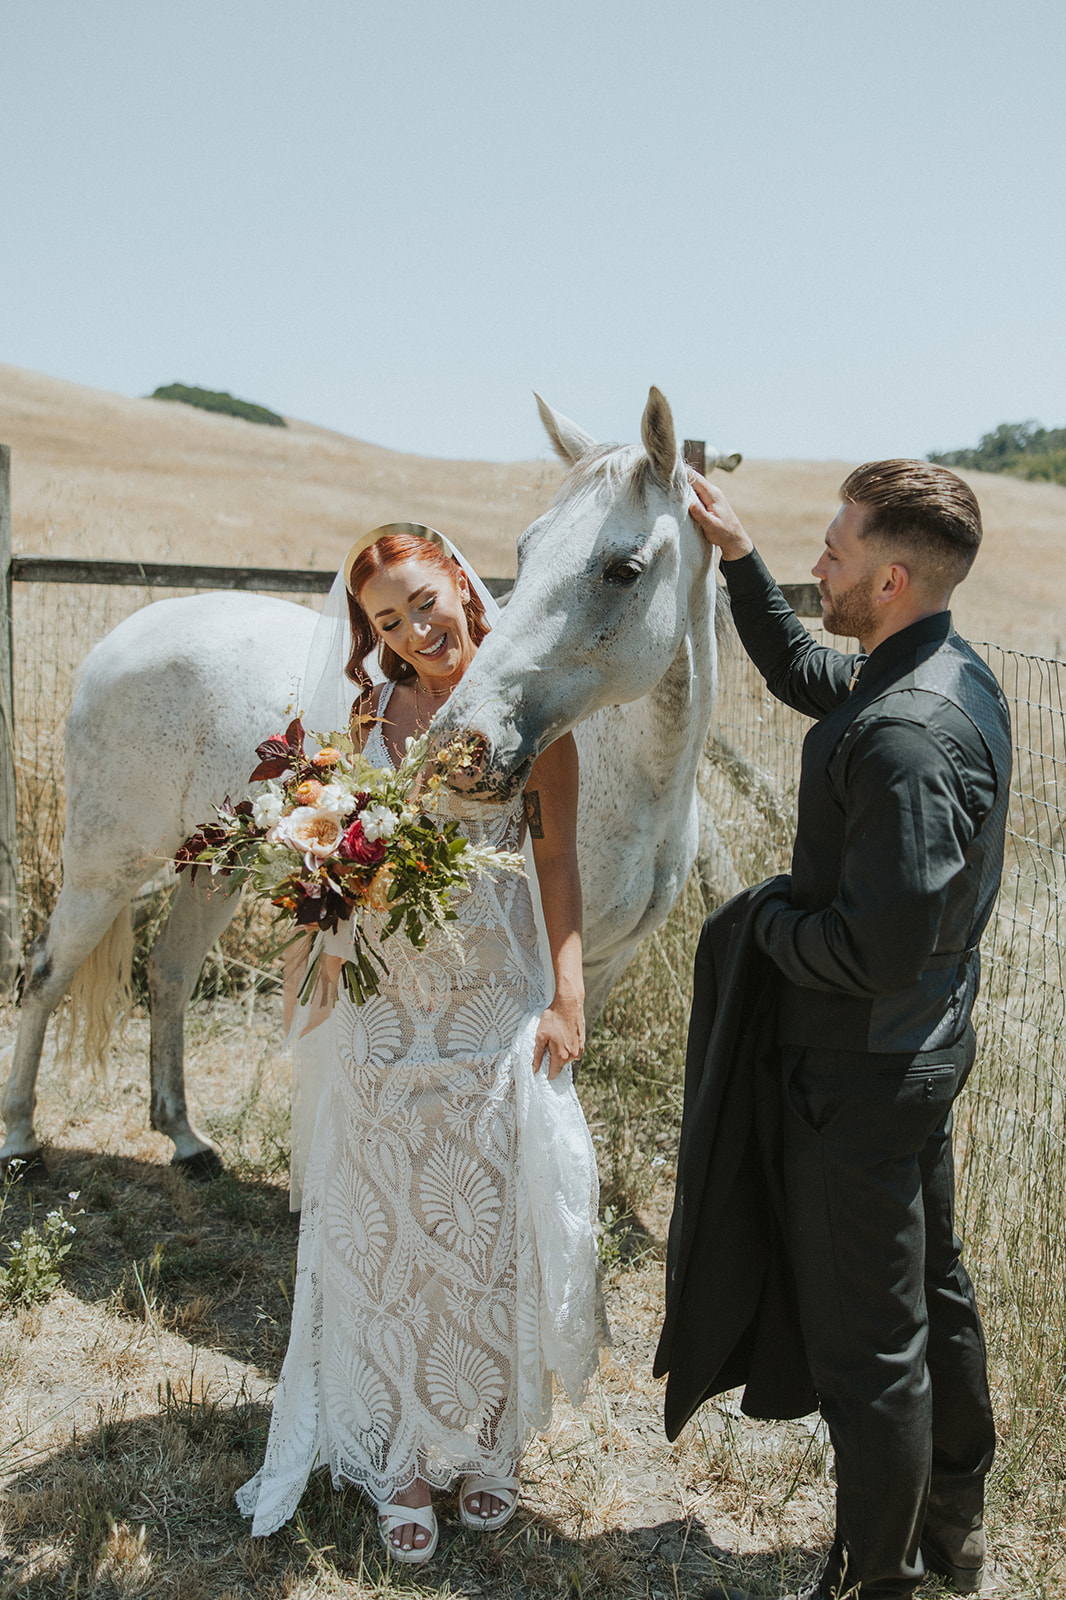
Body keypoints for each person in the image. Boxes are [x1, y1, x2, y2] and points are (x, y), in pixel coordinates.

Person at [670, 464, 1010, 1600]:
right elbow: (810, 673)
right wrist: (739, 557)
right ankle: (949, 1533)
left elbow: (873, 948)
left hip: (860, 1068)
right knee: (932, 1292)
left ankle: (884, 1577)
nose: (819, 563)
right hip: (917, 1051)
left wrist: (765, 921)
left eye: (834, 550)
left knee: (872, 1347)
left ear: (892, 577)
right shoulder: (940, 670)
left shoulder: (904, 737)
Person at [237, 524, 602, 1561]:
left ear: (460, 585)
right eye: (387, 620)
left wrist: (567, 995)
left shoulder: (529, 712)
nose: (413, 631)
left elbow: (557, 858)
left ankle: (486, 1442)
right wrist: (318, 922)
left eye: (423, 602)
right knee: (387, 1227)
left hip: (491, 1005)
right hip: (386, 1009)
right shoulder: (366, 719)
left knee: (484, 1230)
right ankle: (398, 1451)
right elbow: (331, 856)